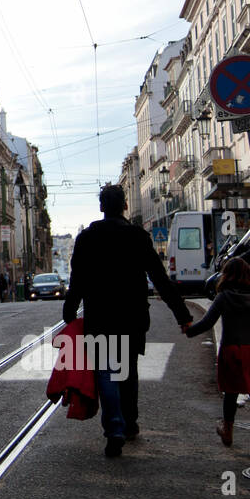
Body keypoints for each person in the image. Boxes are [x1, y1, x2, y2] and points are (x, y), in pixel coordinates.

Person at [62, 184, 192, 457]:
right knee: (128, 370)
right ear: (124, 206)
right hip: (131, 317)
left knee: (107, 373)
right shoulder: (138, 236)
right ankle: (130, 422)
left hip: (100, 316)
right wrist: (182, 314)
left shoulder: (87, 238)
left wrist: (70, 309)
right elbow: (160, 279)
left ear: (101, 207)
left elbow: (78, 280)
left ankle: (114, 429)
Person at [182, 257, 250, 461]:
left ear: (226, 276)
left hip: (231, 350)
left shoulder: (224, 297)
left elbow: (207, 322)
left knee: (230, 393)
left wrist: (189, 331)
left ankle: (228, 432)